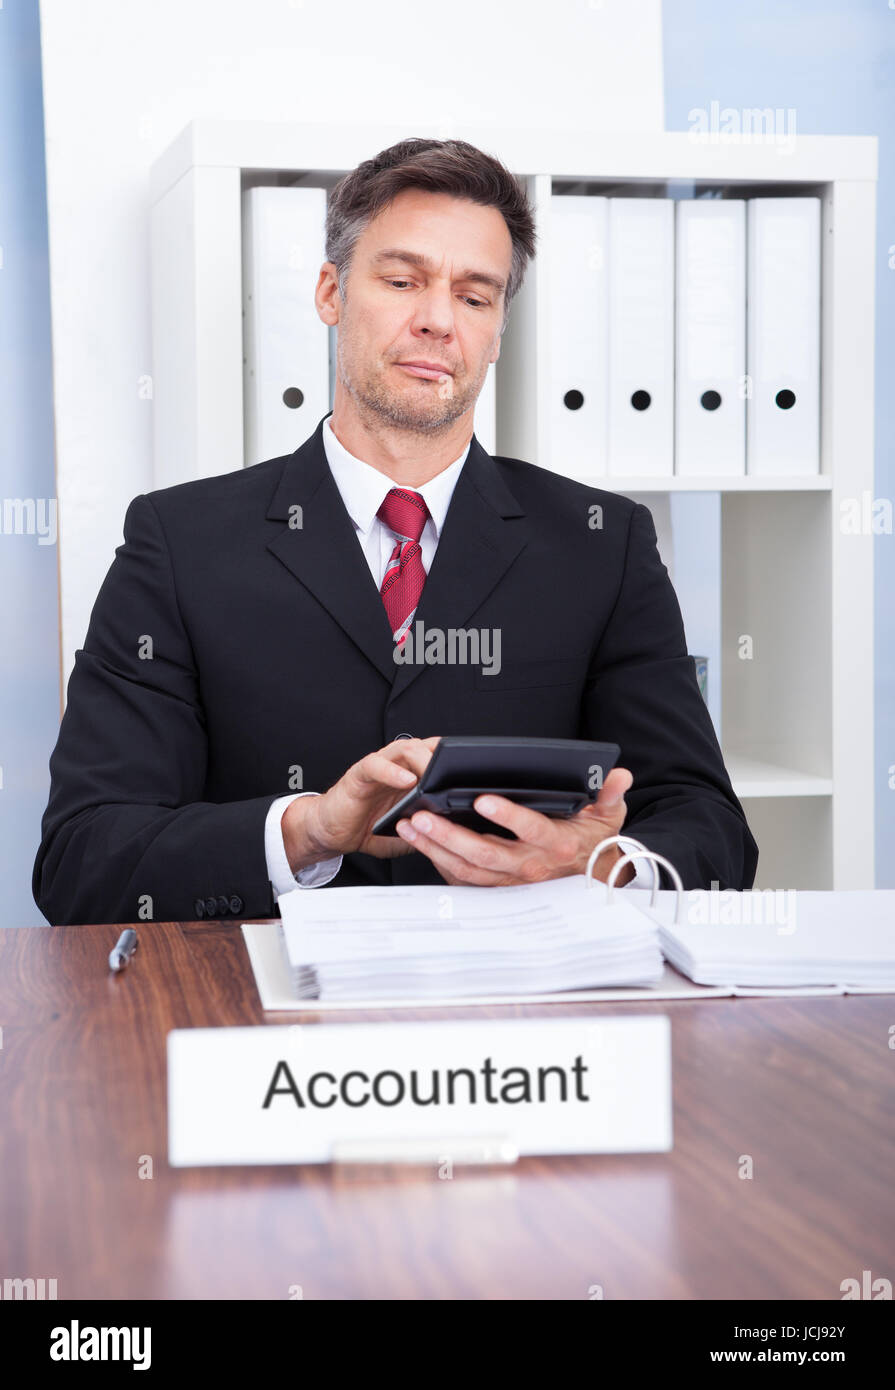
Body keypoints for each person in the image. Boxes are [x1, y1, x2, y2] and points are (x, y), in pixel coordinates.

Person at [33, 137, 757, 926]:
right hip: (258, 1024)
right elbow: (83, 862)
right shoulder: (178, 542)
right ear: (330, 291)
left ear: (497, 330)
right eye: (402, 280)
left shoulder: (602, 543)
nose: (438, 320)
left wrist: (599, 865)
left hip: (521, 1025)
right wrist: (305, 831)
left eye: (475, 297)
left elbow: (712, 830)